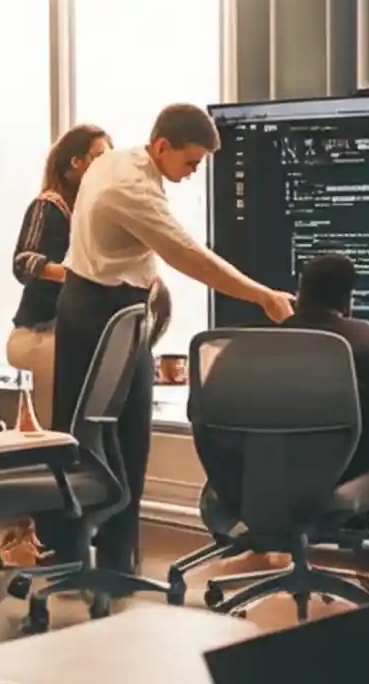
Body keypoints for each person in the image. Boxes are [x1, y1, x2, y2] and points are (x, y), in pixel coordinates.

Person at [52, 103, 294, 574]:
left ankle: (113, 562)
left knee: (124, 439)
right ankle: (75, 557)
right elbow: (189, 255)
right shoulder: (130, 188)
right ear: (162, 146)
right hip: (97, 313)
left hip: (108, 307)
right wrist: (262, 296)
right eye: (190, 162)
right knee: (91, 443)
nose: (191, 174)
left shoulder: (118, 160)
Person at [278, 254, 369, 482]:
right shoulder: (365, 336)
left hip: (278, 468)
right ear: (347, 300)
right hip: (350, 472)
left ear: (299, 297)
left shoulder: (267, 342)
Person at [10, 124, 113, 425]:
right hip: (41, 333)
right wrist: (75, 275)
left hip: (71, 332)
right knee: (61, 423)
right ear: (75, 163)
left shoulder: (92, 209)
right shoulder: (49, 205)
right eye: (98, 157)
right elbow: (23, 262)